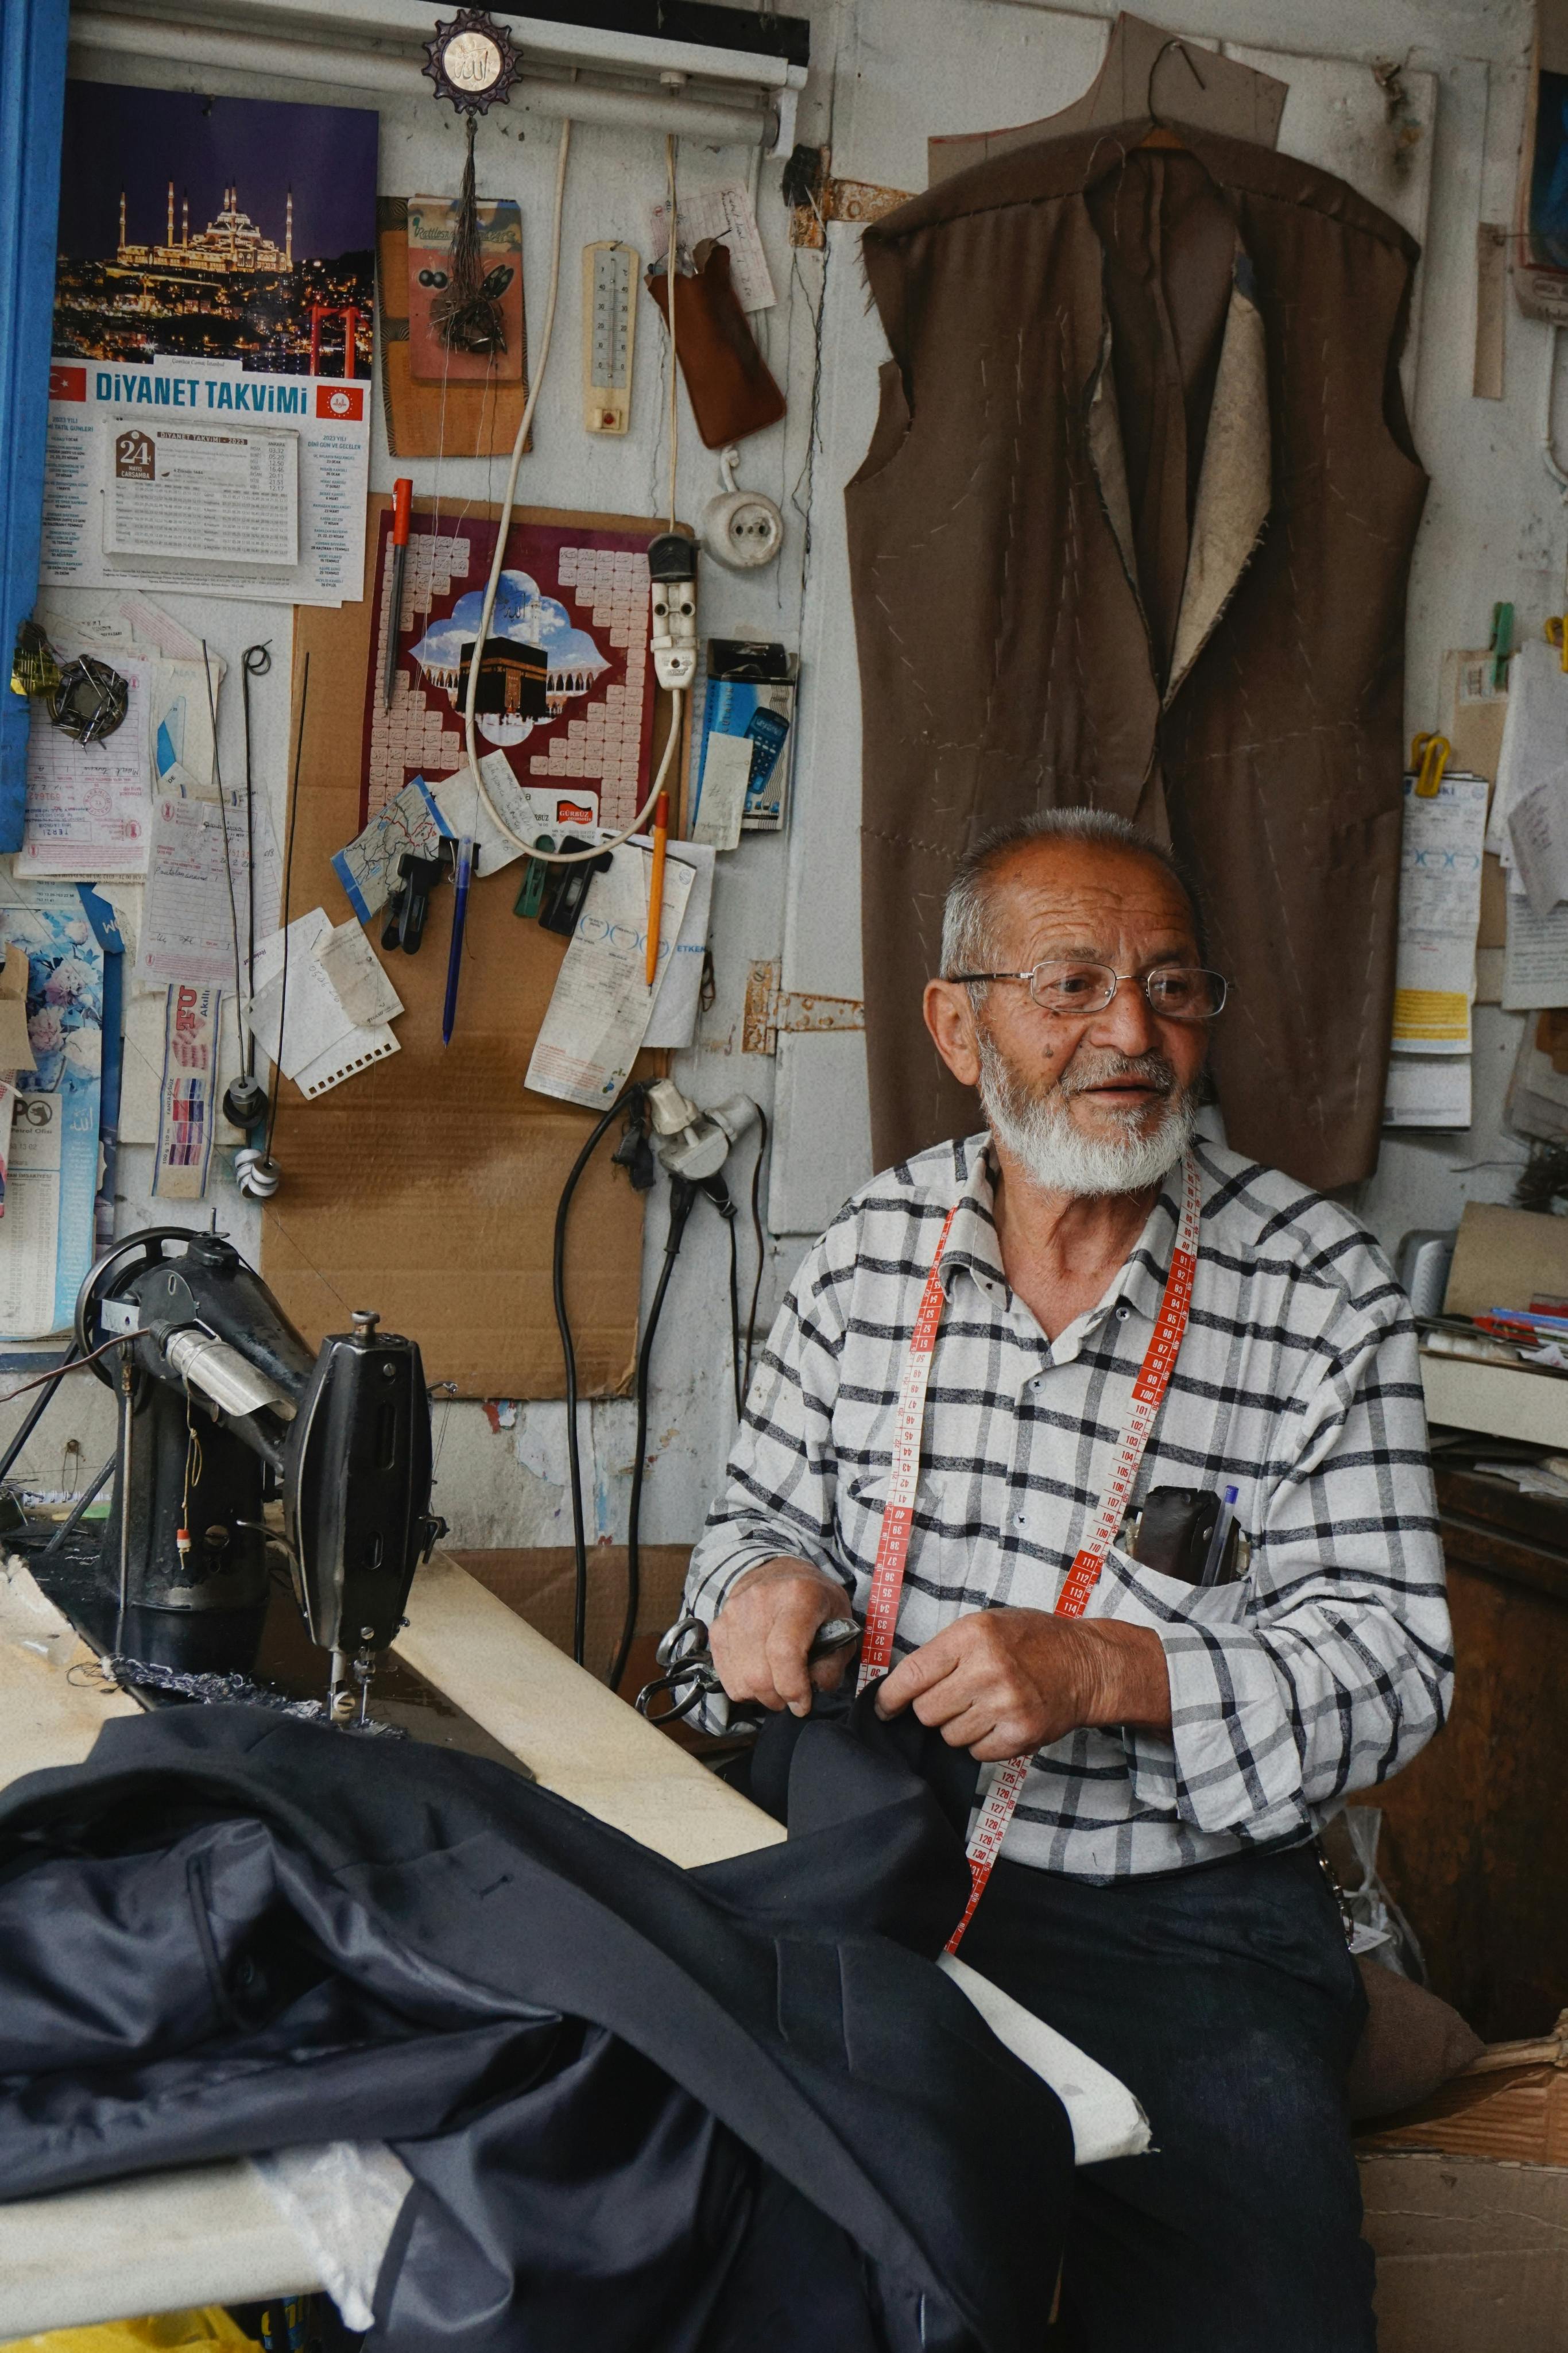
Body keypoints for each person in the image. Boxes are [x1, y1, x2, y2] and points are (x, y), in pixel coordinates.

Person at [680, 808, 1453, 2352]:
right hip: (867, 1864)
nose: (1133, 1034)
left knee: (1266, 2317)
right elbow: (754, 1517)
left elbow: (1393, 1663)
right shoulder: (867, 1251)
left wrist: (1114, 1668)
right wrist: (757, 1587)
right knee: (709, 2249)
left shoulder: (1315, 1293)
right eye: (1074, 984)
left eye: (1173, 988)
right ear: (955, 1021)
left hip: (1177, 1922)